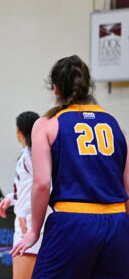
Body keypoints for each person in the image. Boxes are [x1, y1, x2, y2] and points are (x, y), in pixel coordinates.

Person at [11, 55, 129, 277]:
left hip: (73, 223)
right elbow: (128, 187)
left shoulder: (46, 124)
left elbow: (42, 184)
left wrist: (34, 231)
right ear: (87, 85)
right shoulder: (115, 124)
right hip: (117, 223)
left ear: (55, 89)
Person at [0, 111, 46, 279]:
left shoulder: (34, 155)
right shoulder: (28, 155)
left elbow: (48, 189)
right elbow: (26, 189)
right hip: (29, 226)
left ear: (18, 131)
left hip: (32, 228)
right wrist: (10, 198)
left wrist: (25, 210)